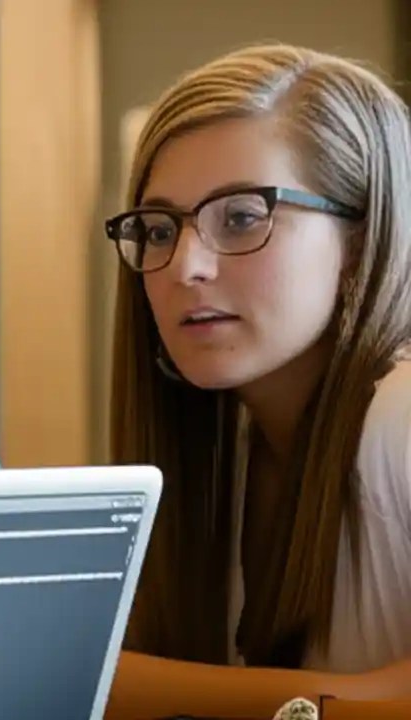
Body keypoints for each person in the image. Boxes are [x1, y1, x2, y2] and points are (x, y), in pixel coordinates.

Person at [101, 43, 411, 719]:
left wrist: (105, 680)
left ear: (359, 238)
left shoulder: (401, 418)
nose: (186, 267)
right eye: (159, 229)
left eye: (240, 217)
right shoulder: (227, 454)